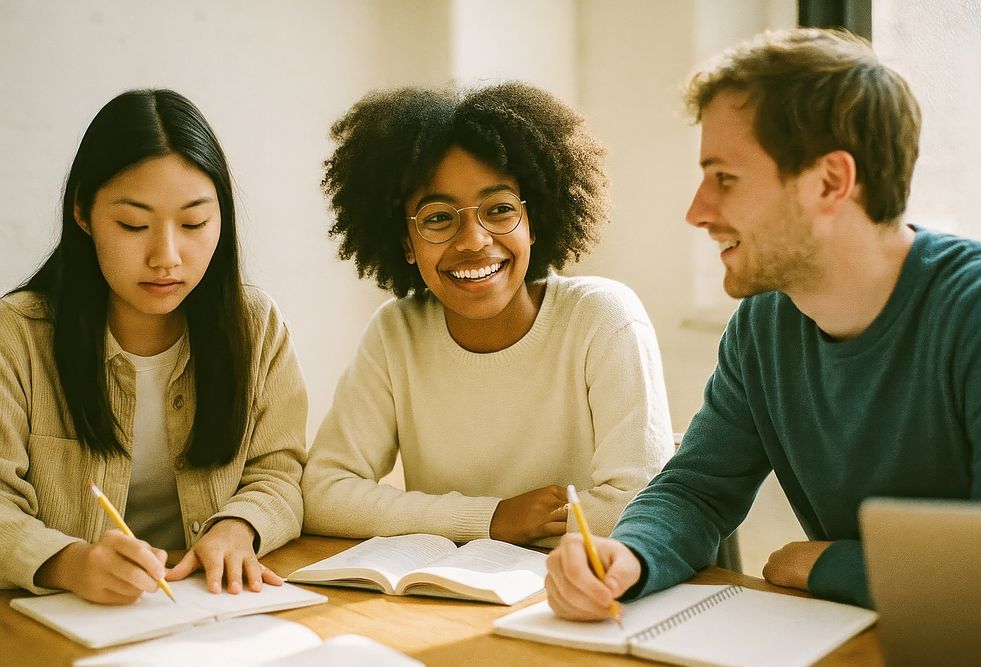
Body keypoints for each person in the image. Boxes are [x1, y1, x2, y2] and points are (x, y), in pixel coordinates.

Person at [545, 27, 981, 615]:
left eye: (725, 179)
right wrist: (627, 556)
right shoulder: (764, 324)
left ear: (830, 183)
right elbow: (697, 490)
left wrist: (828, 563)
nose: (697, 211)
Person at [302, 82, 672, 547]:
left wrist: (480, 524)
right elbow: (323, 494)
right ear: (405, 243)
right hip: (446, 597)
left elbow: (640, 506)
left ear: (534, 222)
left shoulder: (601, 318)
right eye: (438, 217)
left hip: (579, 596)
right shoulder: (397, 332)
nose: (474, 240)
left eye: (499, 209)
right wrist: (492, 519)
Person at [0, 89, 308, 604]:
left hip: (212, 610)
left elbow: (280, 469)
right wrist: (68, 563)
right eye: (133, 225)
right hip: (68, 618)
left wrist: (238, 526)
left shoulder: (257, 327)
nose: (166, 256)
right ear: (83, 214)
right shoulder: (17, 335)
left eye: (193, 224)